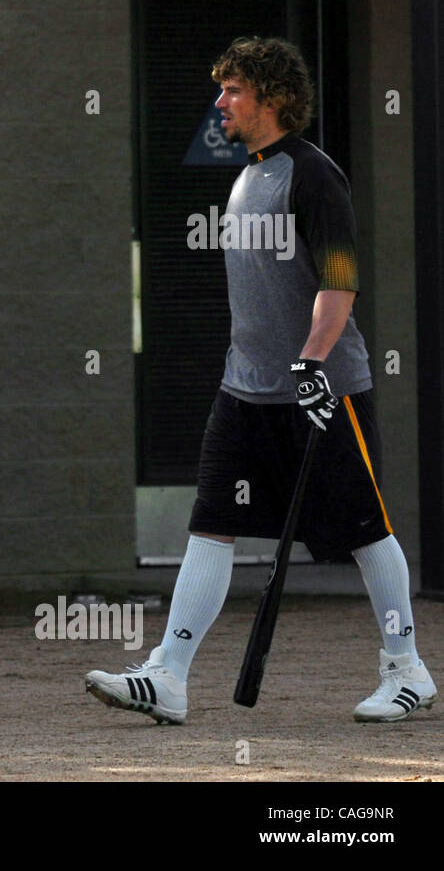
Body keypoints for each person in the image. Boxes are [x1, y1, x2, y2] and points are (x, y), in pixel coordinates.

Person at [86, 36, 435, 724]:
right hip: (244, 393)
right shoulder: (246, 177)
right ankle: (169, 674)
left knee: (366, 530)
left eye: (233, 90)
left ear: (271, 98)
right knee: (211, 525)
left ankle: (408, 668)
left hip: (322, 392)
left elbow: (340, 282)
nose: (220, 102)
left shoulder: (315, 176)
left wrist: (310, 363)